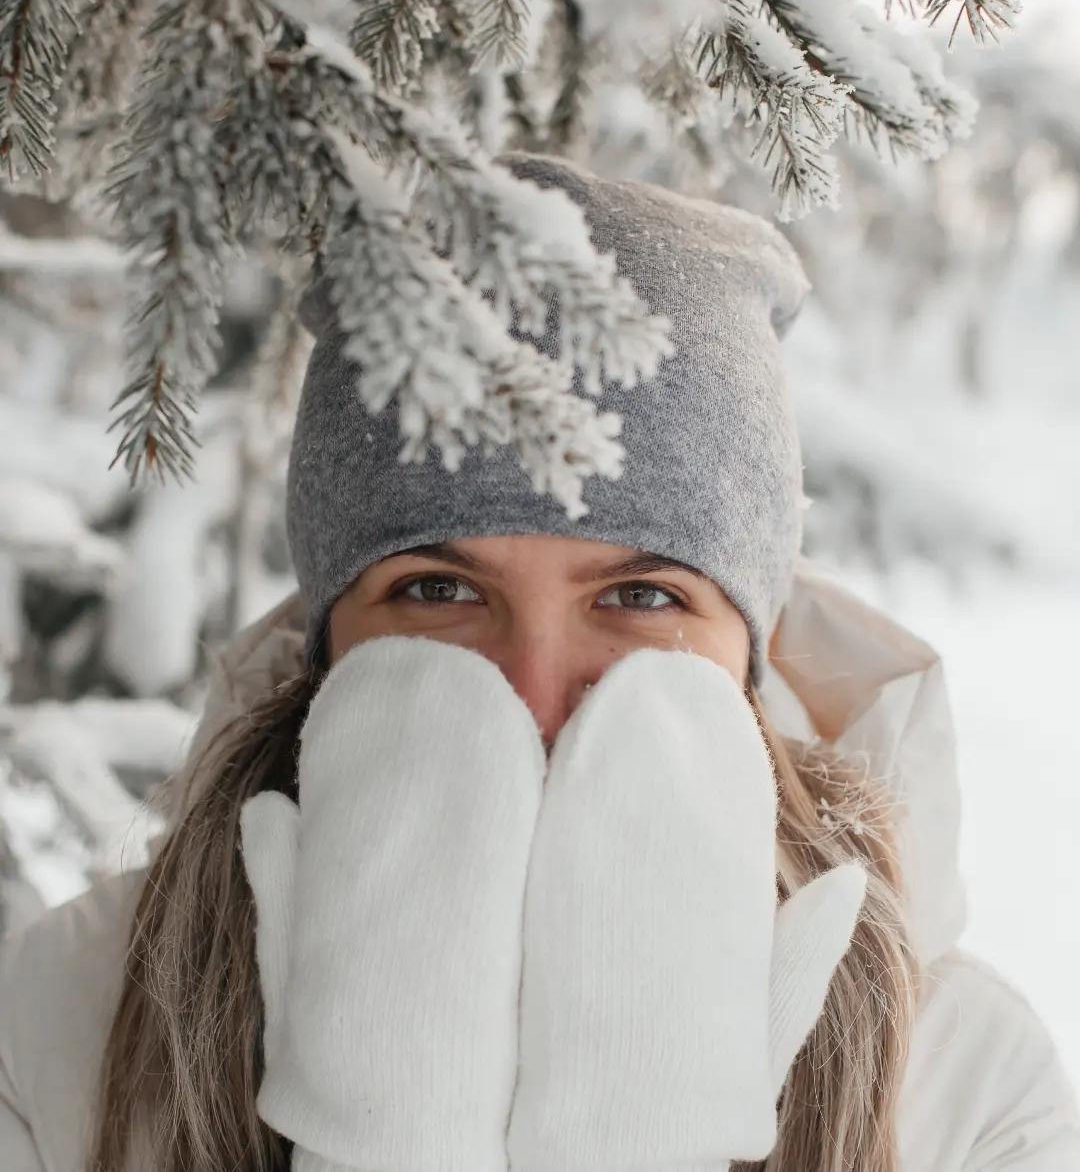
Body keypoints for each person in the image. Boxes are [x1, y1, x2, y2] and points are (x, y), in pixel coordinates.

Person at [0, 153, 1077, 1172]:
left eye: (642, 596)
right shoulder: (67, 1020)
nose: (533, 689)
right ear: (327, 640)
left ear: (746, 654)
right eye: (438, 590)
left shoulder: (966, 1085)